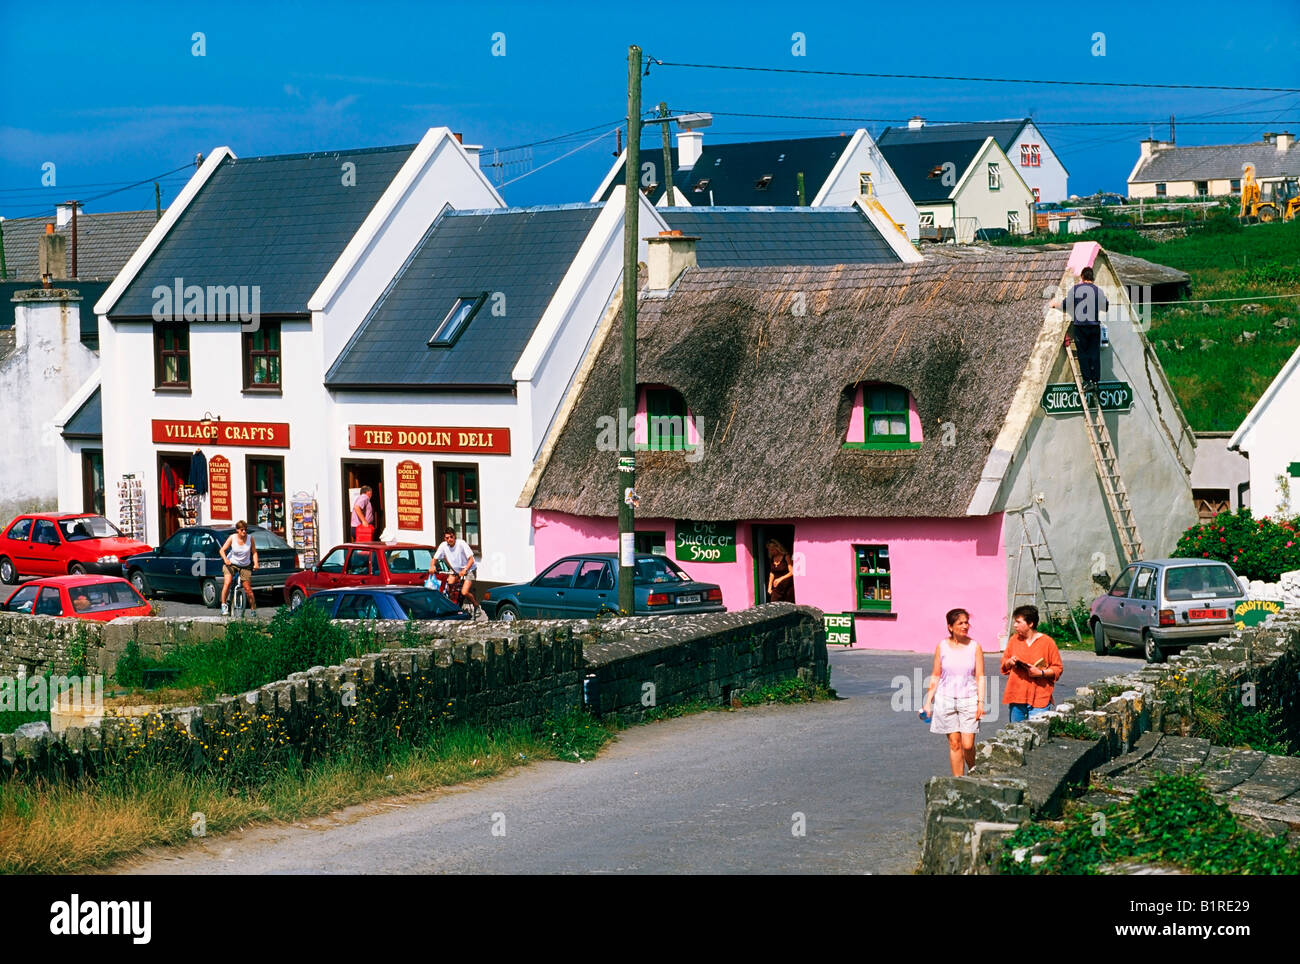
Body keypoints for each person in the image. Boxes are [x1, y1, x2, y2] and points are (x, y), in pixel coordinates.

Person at [921, 608, 985, 776]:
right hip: (946, 699)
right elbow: (936, 675)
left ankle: (973, 771)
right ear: (950, 627)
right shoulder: (942, 646)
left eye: (966, 622)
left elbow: (980, 676)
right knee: (954, 743)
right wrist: (928, 702)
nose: (965, 626)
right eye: (960, 623)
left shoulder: (974, 647)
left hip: (969, 699)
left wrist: (981, 702)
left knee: (968, 744)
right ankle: (959, 781)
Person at [1000, 604, 1063, 722]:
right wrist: (1010, 662)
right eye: (1015, 622)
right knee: (1015, 735)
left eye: (1018, 622)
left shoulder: (1047, 642)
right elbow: (1004, 663)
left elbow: (1058, 668)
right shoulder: (1014, 640)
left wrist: (1041, 673)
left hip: (1040, 696)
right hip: (1017, 696)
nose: (1015, 625)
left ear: (1030, 624)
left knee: (1037, 735)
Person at [1060, 266, 1108, 394]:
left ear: (1082, 277)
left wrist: (1055, 304)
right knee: (1094, 354)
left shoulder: (1076, 290)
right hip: (1094, 326)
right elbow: (1106, 306)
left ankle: (1087, 381)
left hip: (1080, 326)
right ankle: (1096, 381)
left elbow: (1065, 305)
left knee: (1083, 354)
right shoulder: (1098, 291)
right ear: (1092, 277)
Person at [219, 520, 259, 616]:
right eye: (242, 530)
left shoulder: (250, 539)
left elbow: (254, 552)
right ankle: (224, 605)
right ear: (237, 530)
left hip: (245, 565)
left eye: (245, 530)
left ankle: (253, 610)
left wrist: (256, 563)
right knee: (227, 582)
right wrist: (225, 560)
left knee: (248, 589)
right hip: (231, 564)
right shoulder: (232, 538)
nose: (244, 532)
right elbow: (222, 550)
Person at [433, 527, 477, 612]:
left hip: (469, 569)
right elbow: (434, 559)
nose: (449, 539)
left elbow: (471, 560)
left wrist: (465, 570)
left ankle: (475, 604)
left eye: (451, 537)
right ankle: (452, 605)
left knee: (464, 592)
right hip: (456, 570)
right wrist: (432, 566)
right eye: (447, 538)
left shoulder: (461, 544)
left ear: (455, 536)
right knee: (449, 585)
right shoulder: (443, 545)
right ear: (444, 538)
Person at [766, 539, 795, 603]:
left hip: (787, 586)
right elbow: (772, 573)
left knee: (786, 604)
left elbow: (792, 572)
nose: (770, 551)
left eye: (772, 549)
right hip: (776, 586)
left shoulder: (786, 557)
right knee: (774, 603)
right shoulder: (772, 558)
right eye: (769, 550)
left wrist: (780, 579)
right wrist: (769, 586)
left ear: (777, 548)